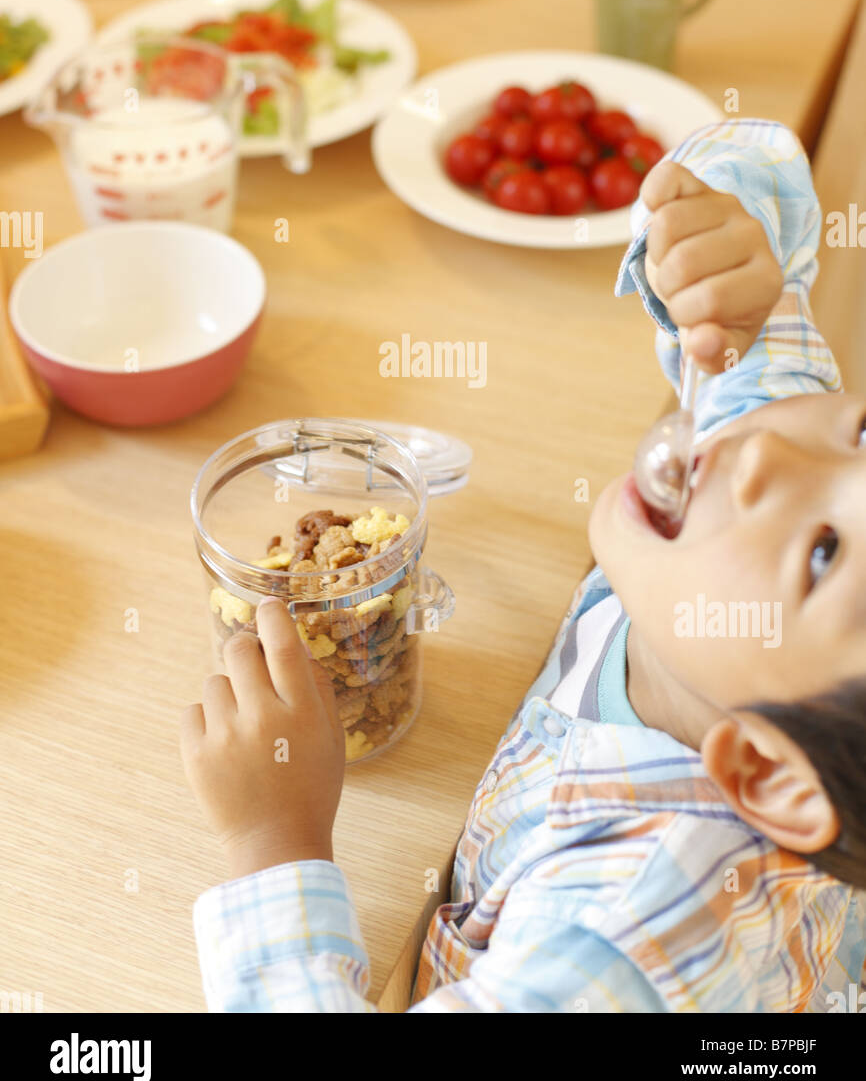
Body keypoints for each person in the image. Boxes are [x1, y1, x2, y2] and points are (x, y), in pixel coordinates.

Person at [182, 118, 866, 1013]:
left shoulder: (632, 939)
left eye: (822, 556)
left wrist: (276, 838)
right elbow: (757, 192)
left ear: (769, 775)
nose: (773, 454)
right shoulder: (750, 521)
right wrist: (723, 251)